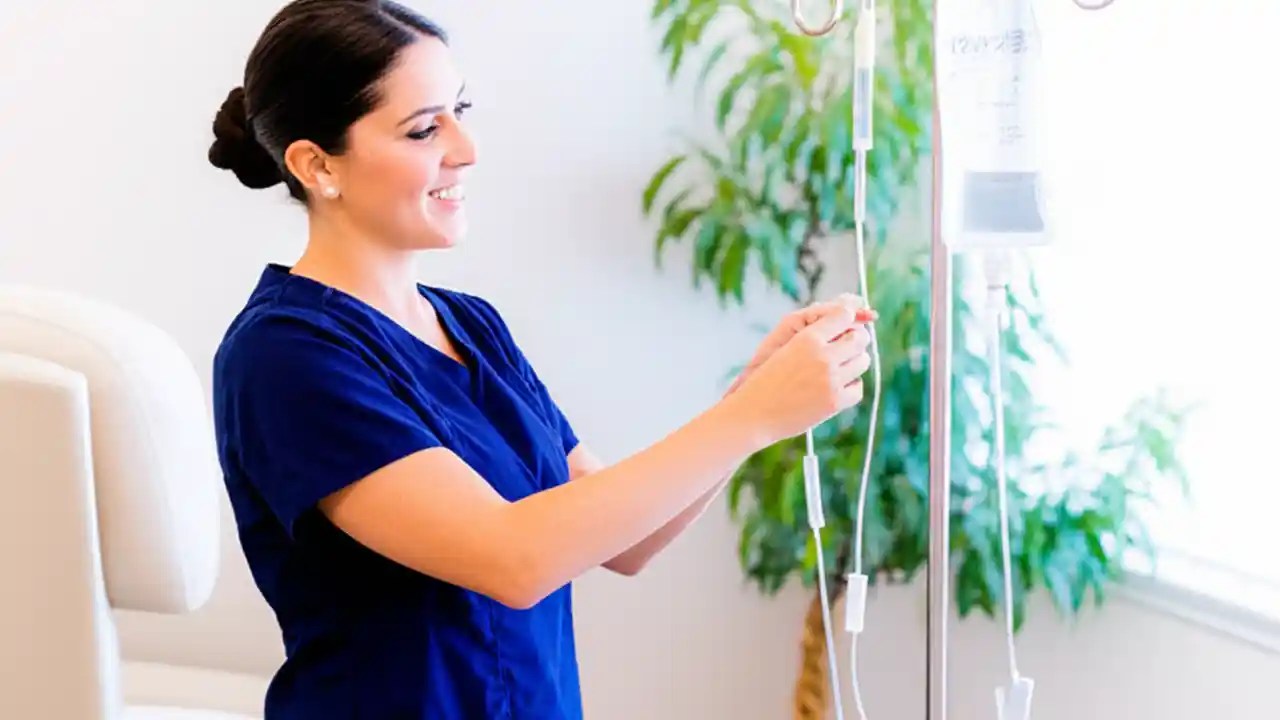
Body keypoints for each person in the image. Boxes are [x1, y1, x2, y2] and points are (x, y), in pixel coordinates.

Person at [206, 1, 874, 718]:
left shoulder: (470, 325)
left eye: (460, 111)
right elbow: (513, 559)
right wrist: (751, 417)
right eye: (426, 128)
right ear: (316, 164)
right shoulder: (285, 358)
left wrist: (756, 395)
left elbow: (627, 541)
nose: (466, 149)